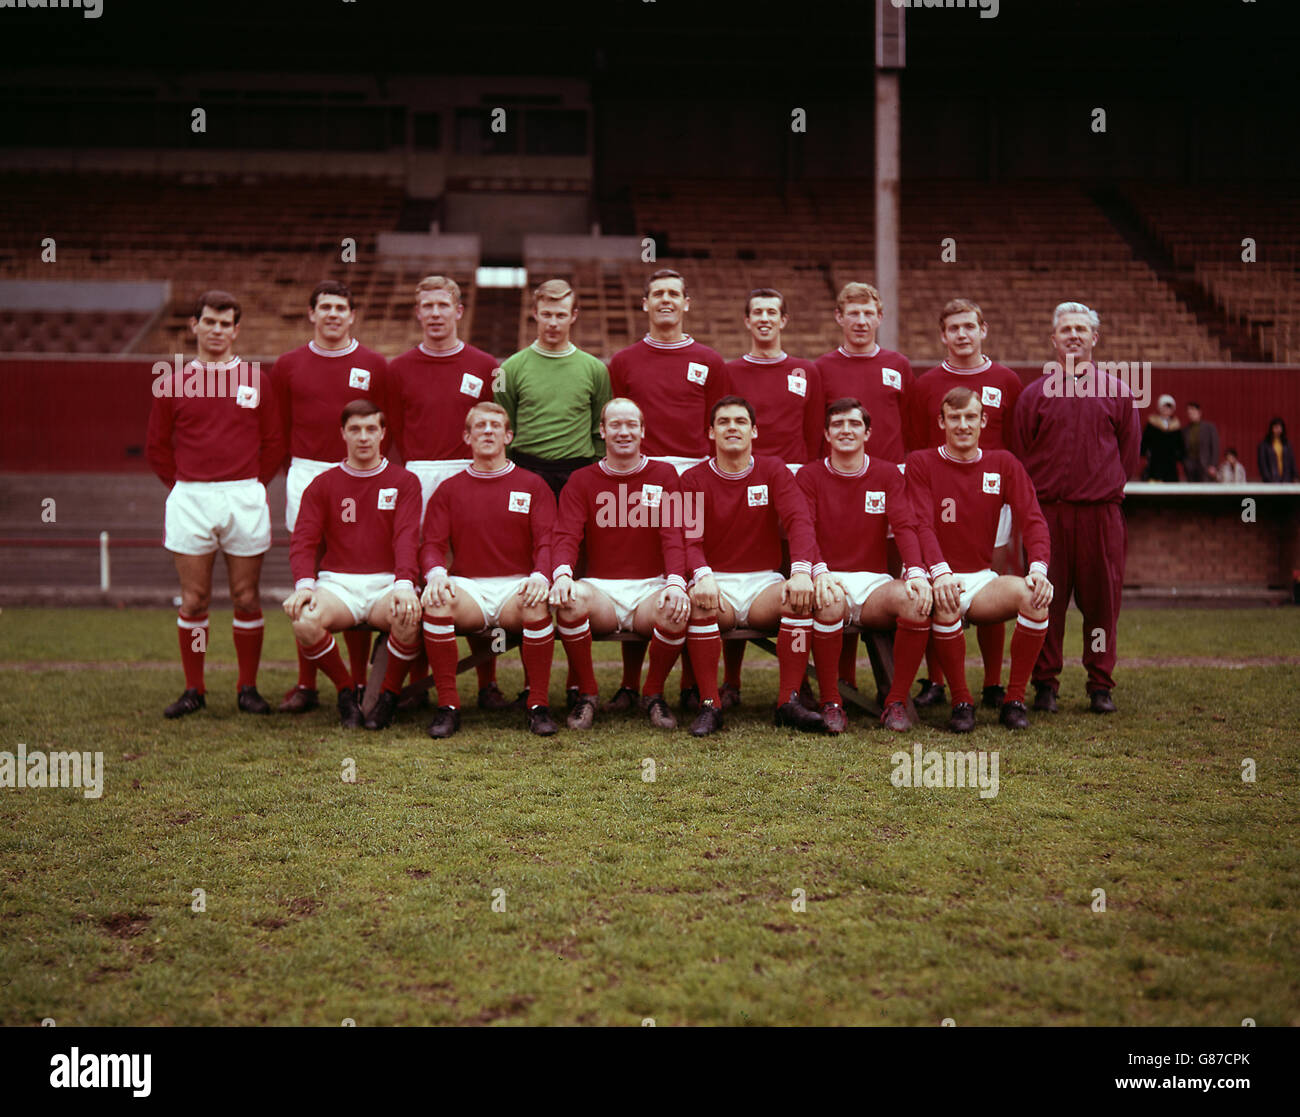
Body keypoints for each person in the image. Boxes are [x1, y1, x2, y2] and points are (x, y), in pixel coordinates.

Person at [146, 290, 283, 719]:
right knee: (195, 599)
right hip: (191, 496)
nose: (217, 330)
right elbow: (156, 448)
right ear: (195, 325)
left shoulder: (257, 379)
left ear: (236, 330)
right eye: (210, 321)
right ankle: (195, 688)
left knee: (245, 596)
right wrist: (184, 485)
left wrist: (249, 485)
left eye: (226, 324)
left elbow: (274, 442)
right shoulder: (172, 380)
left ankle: (247, 687)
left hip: (244, 494)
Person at [607, 269, 730, 712]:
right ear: (644, 304)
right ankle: (628, 682)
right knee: (642, 574)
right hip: (643, 477)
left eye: (674, 293)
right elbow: (617, 418)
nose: (665, 300)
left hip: (694, 477)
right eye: (657, 293)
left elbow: (717, 421)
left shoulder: (710, 361)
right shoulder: (623, 361)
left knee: (682, 574)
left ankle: (688, 686)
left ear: (686, 303)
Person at [1009, 301, 1141, 714]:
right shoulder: (1034, 396)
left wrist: (1100, 487)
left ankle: (1100, 684)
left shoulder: (1118, 392)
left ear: (1094, 338)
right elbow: (1019, 452)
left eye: (1081, 329)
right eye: (1065, 329)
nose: (1073, 335)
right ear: (1053, 339)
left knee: (1102, 601)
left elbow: (1129, 454)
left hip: (1100, 514)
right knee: (1044, 598)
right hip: (1047, 516)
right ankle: (1045, 682)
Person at [386, 275, 509, 711]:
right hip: (419, 473)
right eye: (427, 306)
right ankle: (419, 683)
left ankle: (488, 683)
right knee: (424, 576)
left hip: (473, 474)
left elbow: (494, 420)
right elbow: (395, 428)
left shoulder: (483, 363)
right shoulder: (397, 368)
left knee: (476, 573)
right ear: (418, 313)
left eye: (443, 305)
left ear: (458, 311)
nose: (435, 314)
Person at [679, 396, 829, 737]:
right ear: (711, 432)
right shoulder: (689, 478)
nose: (732, 427)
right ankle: (710, 704)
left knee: (797, 597)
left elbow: (800, 521)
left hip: (763, 582)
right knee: (697, 605)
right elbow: (686, 538)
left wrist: (803, 570)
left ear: (754, 431)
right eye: (724, 421)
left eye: (741, 421)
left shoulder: (774, 469)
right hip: (716, 582)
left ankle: (788, 701)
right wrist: (701, 576)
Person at [271, 280, 390, 714]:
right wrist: (295, 473)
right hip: (308, 473)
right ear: (311, 313)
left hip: (361, 475)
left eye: (341, 307)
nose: (333, 314)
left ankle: (360, 681)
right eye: (325, 307)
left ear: (352, 315)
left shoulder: (374, 363)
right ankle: (308, 684)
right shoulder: (287, 365)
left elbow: (383, 423)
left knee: (356, 570)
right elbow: (278, 427)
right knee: (313, 579)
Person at [906, 387, 1054, 732]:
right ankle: (961, 701)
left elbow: (1032, 519)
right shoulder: (921, 462)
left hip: (980, 576)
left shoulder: (1003, 463)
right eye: (954, 417)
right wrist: (939, 573)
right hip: (933, 575)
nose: (962, 424)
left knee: (1034, 598)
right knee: (945, 604)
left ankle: (1014, 699)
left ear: (983, 420)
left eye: (970, 416)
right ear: (941, 421)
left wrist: (1038, 569)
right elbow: (920, 524)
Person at [906, 298, 1025, 712]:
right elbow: (916, 442)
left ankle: (993, 682)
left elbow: (1015, 440)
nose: (962, 334)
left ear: (983, 329)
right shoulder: (925, 384)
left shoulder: (1007, 380)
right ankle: (936, 681)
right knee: (940, 583)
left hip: (991, 496)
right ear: (943, 335)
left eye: (968, 326)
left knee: (988, 581)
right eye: (953, 328)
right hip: (939, 499)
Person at [549, 398, 692, 731]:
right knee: (569, 602)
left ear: (643, 431)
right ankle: (587, 694)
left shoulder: (665, 474)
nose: (623, 431)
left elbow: (674, 533)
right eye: (615, 424)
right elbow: (566, 535)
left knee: (674, 608)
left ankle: (653, 694)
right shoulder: (581, 479)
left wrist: (675, 581)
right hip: (602, 591)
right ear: (602, 431)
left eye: (631, 425)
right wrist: (562, 575)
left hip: (649, 588)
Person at [419, 402, 560, 739]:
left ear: (508, 435)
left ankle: (537, 705)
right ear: (467, 436)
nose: (487, 431)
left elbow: (547, 541)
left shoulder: (532, 484)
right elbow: (432, 544)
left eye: (495, 425)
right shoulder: (449, 489)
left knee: (536, 603)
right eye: (479, 426)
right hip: (469, 587)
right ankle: (449, 706)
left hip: (518, 586)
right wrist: (436, 574)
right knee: (437, 602)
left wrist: (541, 576)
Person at [283, 400, 423, 730]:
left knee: (409, 616)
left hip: (387, 583)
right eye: (355, 430)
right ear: (342, 433)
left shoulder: (405, 481)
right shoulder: (323, 484)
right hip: (338, 585)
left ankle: (386, 698)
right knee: (304, 622)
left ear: (383, 433)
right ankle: (347, 693)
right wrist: (304, 585)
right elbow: (303, 541)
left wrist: (405, 584)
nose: (363, 437)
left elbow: (406, 538)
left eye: (371, 429)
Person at [798, 398, 933, 734]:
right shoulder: (809, 475)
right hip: (829, 577)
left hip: (874, 584)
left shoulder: (887, 473)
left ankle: (896, 701)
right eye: (838, 424)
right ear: (827, 434)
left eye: (854, 424)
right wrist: (818, 572)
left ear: (868, 432)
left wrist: (915, 570)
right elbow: (804, 529)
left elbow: (905, 525)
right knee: (827, 602)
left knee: (916, 602)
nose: (846, 430)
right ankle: (832, 702)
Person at [719, 288, 826, 706]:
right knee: (740, 567)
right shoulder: (729, 371)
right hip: (743, 478)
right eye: (757, 312)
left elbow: (815, 432)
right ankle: (731, 681)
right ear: (747, 321)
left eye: (772, 312)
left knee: (795, 575)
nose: (765, 319)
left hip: (795, 482)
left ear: (784, 320)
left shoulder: (806, 371)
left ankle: (799, 681)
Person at [813, 281, 914, 704]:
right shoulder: (821, 368)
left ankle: (912, 683)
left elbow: (911, 424)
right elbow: (814, 431)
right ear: (839, 318)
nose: (860, 321)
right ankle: (841, 681)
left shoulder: (898, 365)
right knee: (839, 572)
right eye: (851, 313)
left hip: (889, 483)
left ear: (880, 317)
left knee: (886, 579)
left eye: (867, 313)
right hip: (840, 484)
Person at [496, 278, 612, 499]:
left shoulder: (596, 370)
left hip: (577, 473)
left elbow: (600, 432)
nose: (553, 323)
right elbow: (504, 429)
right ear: (535, 313)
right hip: (526, 470)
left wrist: (594, 472)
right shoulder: (508, 369)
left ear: (573, 316)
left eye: (561, 315)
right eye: (547, 314)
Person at [1140, 394, 1183, 482]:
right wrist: (1144, 453)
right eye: (1164, 407)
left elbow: (1180, 445)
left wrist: (1179, 456)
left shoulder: (1176, 426)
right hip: (1155, 462)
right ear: (1159, 408)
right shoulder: (1152, 424)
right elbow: (1145, 442)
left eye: (1169, 407)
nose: (1166, 410)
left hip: (1170, 464)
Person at [1181, 401, 1220, 482]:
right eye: (1189, 413)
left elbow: (1215, 447)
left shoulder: (1209, 427)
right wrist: (1185, 463)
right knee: (1192, 490)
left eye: (1193, 412)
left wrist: (1213, 465)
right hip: (1190, 466)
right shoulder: (1185, 430)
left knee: (1206, 490)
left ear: (1199, 412)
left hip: (1205, 465)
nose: (1191, 414)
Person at [1257, 417, 1297, 483]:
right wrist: (1267, 478)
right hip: (1271, 479)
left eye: (1280, 427)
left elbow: (1291, 461)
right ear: (1271, 429)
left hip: (1286, 479)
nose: (1278, 430)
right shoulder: (1264, 445)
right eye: (1276, 427)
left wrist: (1295, 476)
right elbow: (1262, 464)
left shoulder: (1286, 444)